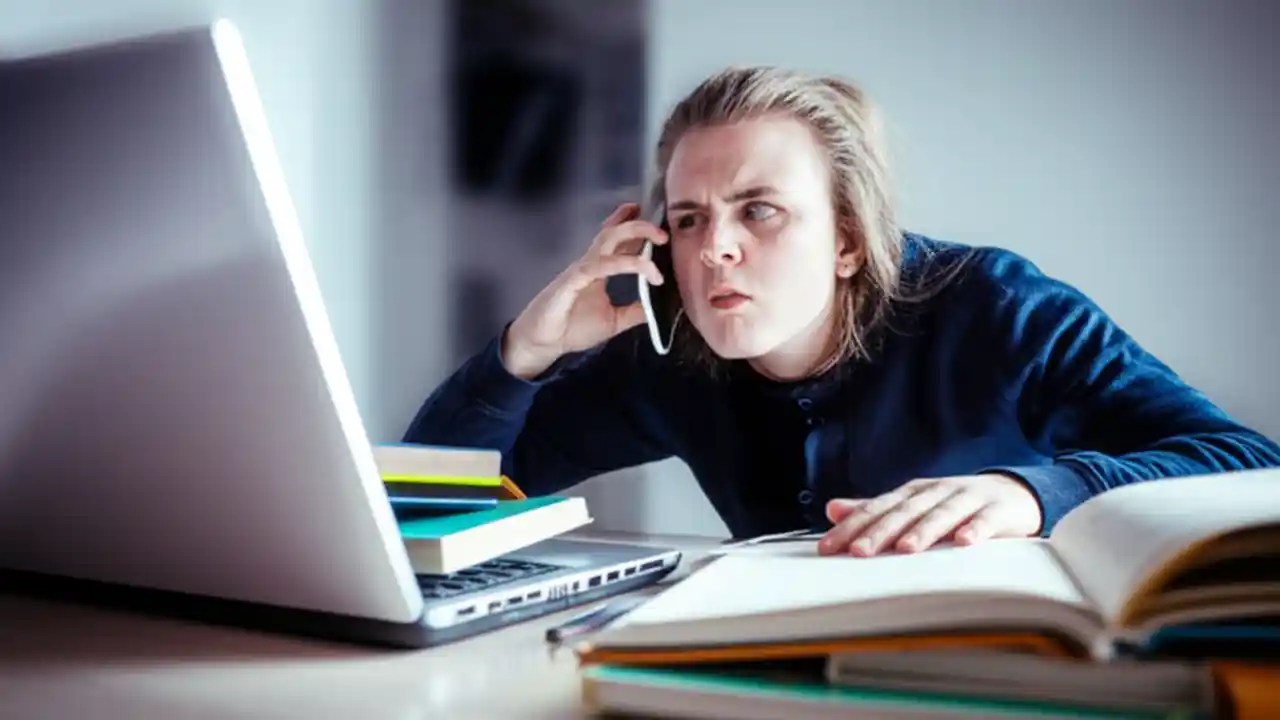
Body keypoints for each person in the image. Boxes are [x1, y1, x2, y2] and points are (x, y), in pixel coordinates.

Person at [404, 66, 1280, 557]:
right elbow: (427, 511)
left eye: (761, 210)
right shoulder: (668, 353)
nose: (714, 250)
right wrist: (526, 350)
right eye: (688, 218)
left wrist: (1032, 493)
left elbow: (1248, 466)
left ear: (849, 239)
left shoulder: (1000, 309)